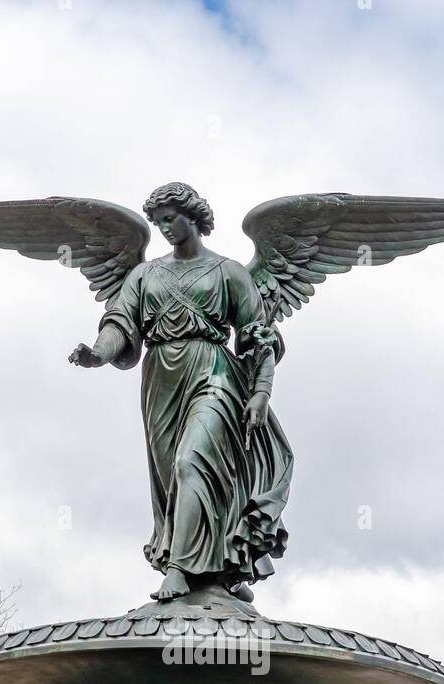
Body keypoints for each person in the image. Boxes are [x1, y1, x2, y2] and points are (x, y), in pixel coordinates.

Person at [70, 181, 294, 602]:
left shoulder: (230, 272)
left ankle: (178, 569)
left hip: (214, 373)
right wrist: (98, 354)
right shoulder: (145, 274)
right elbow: (121, 322)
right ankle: (226, 564)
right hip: (160, 380)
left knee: (194, 461)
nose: (164, 228)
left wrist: (261, 391)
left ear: (193, 216)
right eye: (158, 222)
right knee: (174, 478)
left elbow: (257, 334)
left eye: (169, 219)